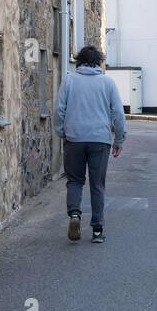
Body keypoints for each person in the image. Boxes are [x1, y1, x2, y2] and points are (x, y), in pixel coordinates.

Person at [54, 45, 126, 243]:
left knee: (75, 181)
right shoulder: (108, 83)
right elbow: (118, 115)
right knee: (97, 184)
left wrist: (62, 133)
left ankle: (75, 215)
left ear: (79, 61)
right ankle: (97, 230)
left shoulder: (69, 81)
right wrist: (119, 139)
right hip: (100, 140)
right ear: (98, 62)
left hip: (74, 139)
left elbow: (59, 110)